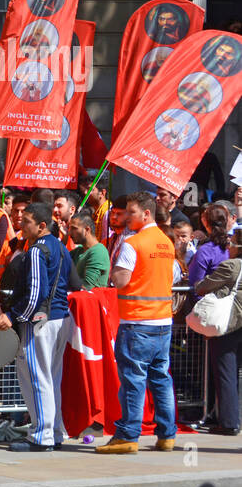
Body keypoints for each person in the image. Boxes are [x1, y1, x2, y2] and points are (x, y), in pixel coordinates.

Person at [99, 191, 177, 454]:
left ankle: (127, 436)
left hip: (137, 322)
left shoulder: (134, 243)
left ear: (145, 213)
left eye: (131, 212)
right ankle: (167, 435)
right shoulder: (166, 243)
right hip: (162, 322)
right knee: (161, 379)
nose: (126, 217)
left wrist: (112, 268)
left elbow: (120, 280)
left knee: (133, 380)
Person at [7, 203, 73, 452]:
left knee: (37, 378)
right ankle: (53, 432)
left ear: (41, 226)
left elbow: (36, 293)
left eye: (26, 222)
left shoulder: (36, 250)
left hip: (40, 322)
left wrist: (14, 317)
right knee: (51, 378)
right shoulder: (61, 247)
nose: (21, 226)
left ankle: (41, 435)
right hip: (59, 318)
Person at [189, 204, 239, 434]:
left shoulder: (225, 261)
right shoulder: (222, 254)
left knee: (225, 370)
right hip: (234, 321)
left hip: (226, 322)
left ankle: (228, 422)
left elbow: (198, 286)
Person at [68, 211, 110, 289]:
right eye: (69, 228)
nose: (70, 233)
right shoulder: (78, 251)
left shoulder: (98, 251)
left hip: (91, 300)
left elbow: (87, 285)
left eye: (74, 228)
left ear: (87, 229)